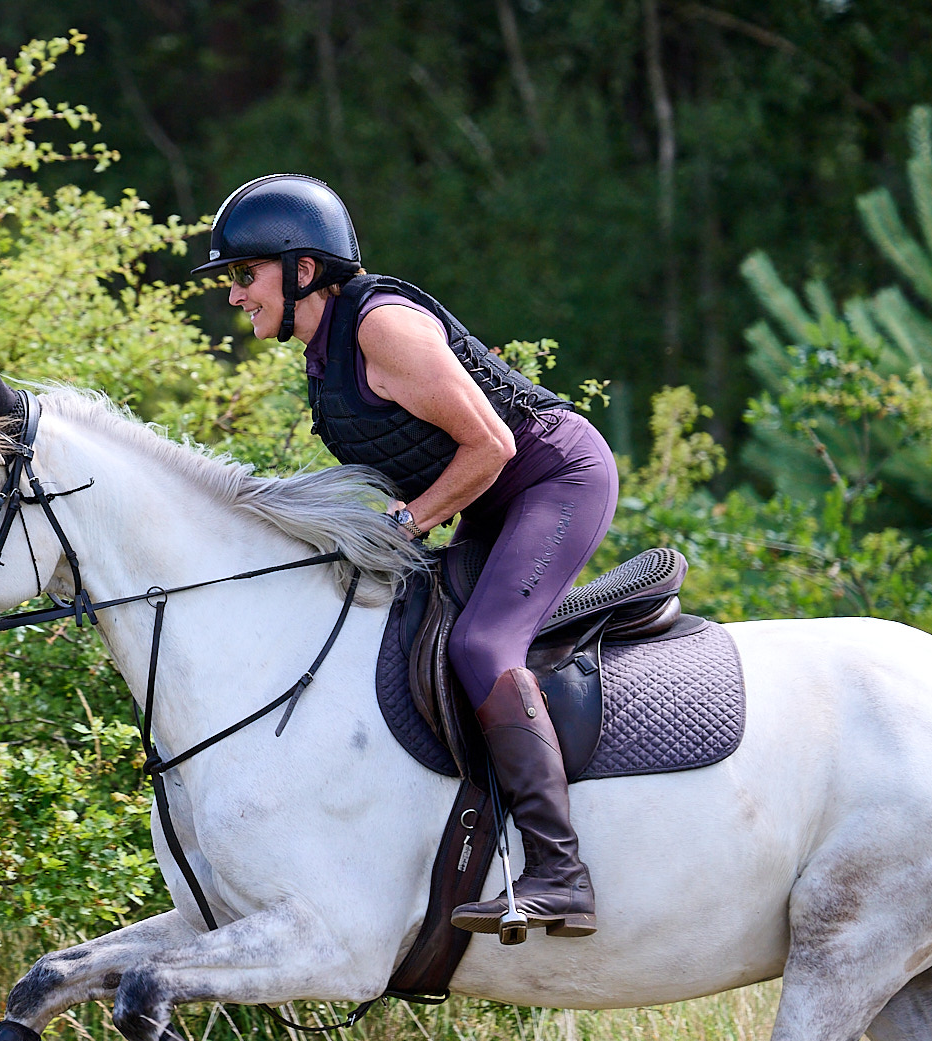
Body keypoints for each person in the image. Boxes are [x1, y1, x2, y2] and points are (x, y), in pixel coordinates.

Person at [191, 174, 620, 939]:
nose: (234, 295)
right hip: (488, 500)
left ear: (301, 270)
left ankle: (561, 873)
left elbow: (493, 445)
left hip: (554, 478)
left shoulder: (380, 328)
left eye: (243, 274)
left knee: (482, 643)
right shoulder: (321, 352)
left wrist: (415, 519)